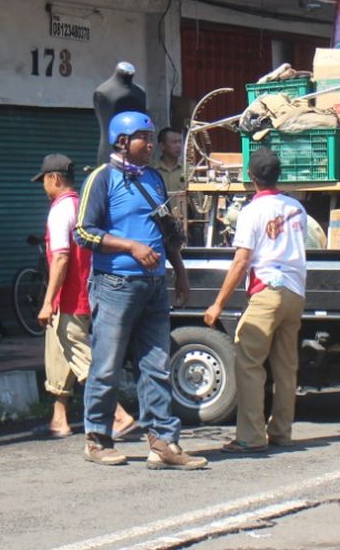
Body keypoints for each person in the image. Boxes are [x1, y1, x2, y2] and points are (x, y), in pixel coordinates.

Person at [75, 111, 206, 470]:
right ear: (121, 142)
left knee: (157, 365)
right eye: (142, 139)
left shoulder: (153, 179)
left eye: (151, 139)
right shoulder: (102, 180)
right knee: (106, 366)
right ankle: (97, 439)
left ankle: (163, 442)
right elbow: (84, 233)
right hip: (114, 284)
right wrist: (130, 247)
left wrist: (179, 272)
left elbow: (168, 232)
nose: (150, 145)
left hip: (154, 286)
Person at [204, 148, 307, 454]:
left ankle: (250, 435)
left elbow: (242, 260)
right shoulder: (297, 208)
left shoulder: (251, 211)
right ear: (279, 175)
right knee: (286, 367)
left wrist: (218, 303)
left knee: (249, 362)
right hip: (295, 291)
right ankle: (281, 431)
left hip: (267, 290)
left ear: (251, 177)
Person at [31, 153, 136, 439]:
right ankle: (59, 419)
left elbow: (61, 259)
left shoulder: (60, 210)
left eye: (44, 181)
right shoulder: (86, 204)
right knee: (63, 351)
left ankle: (117, 414)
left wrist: (47, 301)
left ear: (54, 179)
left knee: (82, 357)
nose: (43, 187)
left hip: (71, 296)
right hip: (93, 292)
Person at [152, 128, 186, 224]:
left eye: (180, 142)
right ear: (162, 145)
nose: (178, 146)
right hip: (159, 223)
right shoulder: (151, 172)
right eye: (174, 142)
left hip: (184, 223)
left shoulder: (188, 170)